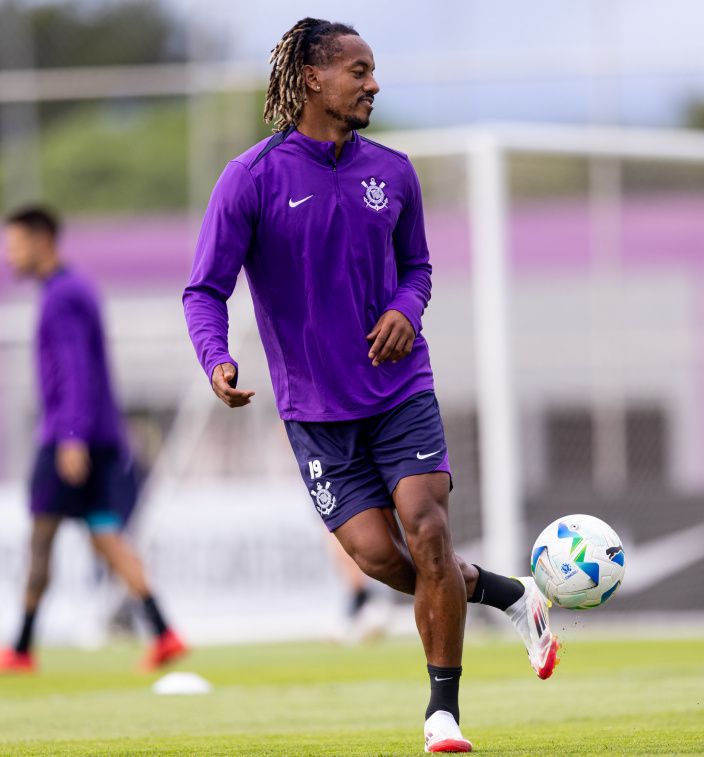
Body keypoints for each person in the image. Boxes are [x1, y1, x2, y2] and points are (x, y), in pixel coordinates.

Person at [183, 18, 558, 753]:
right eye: (358, 71)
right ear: (313, 78)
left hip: (398, 390)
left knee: (427, 529)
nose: (373, 84)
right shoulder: (251, 179)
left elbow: (418, 268)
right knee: (383, 558)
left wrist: (401, 310)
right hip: (314, 411)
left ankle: (441, 713)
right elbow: (205, 289)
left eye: (372, 70)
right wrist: (215, 358)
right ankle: (511, 594)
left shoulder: (392, 171)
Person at [1, 206, 187, 674]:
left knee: (41, 537)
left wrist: (70, 437)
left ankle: (20, 648)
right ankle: (163, 632)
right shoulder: (75, 288)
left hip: (70, 436)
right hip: (100, 436)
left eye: (15, 244)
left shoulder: (61, 295)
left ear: (42, 241)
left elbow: (76, 372)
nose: (9, 254)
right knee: (104, 532)